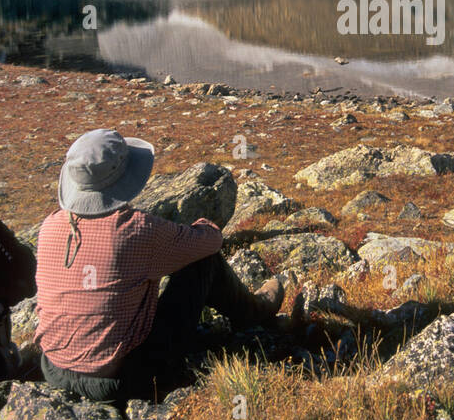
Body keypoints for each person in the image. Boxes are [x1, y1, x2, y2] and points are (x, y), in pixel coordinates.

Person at [34, 128, 284, 403]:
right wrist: (194, 228)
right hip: (118, 380)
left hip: (53, 369)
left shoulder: (50, 225)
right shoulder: (134, 229)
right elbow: (211, 242)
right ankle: (254, 311)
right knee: (204, 261)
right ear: (125, 178)